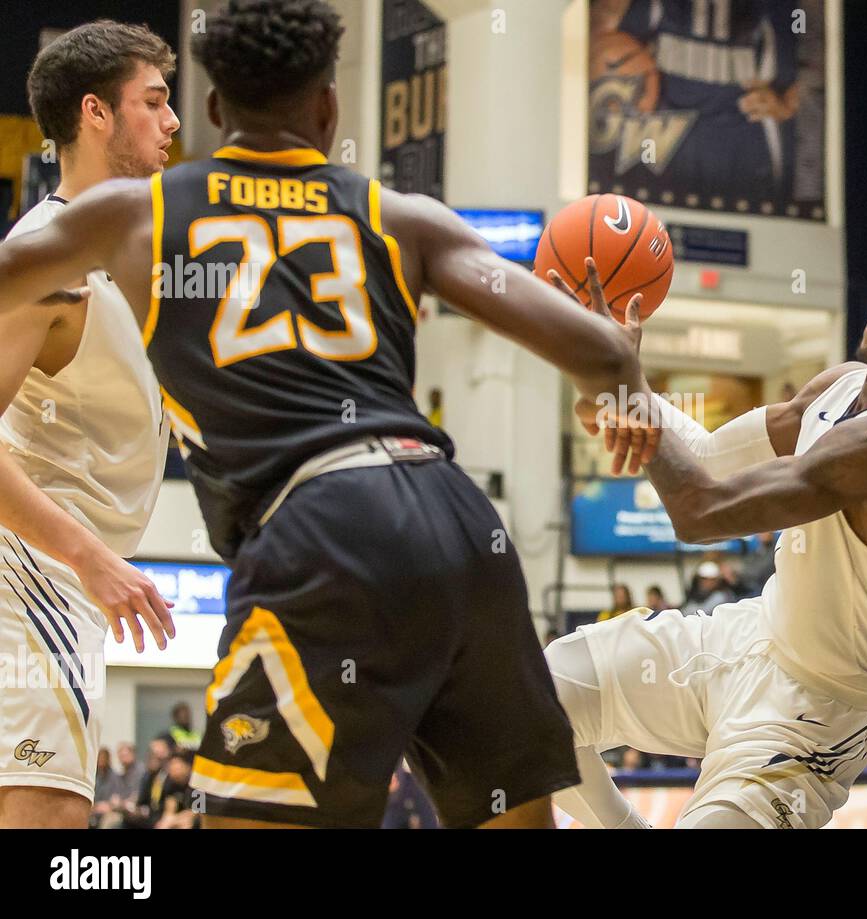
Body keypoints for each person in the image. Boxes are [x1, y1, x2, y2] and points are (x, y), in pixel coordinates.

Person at [0, 0, 660, 829]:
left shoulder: (140, 216)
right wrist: (623, 384)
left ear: (213, 110)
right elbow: (600, 351)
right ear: (328, 109)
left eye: (176, 100)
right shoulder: (398, 213)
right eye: (150, 99)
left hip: (317, 530)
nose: (168, 119)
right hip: (458, 524)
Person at [544, 242, 867, 827]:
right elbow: (710, 458)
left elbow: (700, 509)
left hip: (813, 714)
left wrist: (626, 384)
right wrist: (614, 387)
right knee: (535, 699)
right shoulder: (842, 385)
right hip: (745, 640)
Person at [0, 20, 177, 830]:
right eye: (155, 101)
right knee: (50, 822)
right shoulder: (48, 257)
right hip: (34, 569)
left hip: (59, 574)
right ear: (97, 114)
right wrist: (89, 557)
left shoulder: (134, 254)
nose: (172, 121)